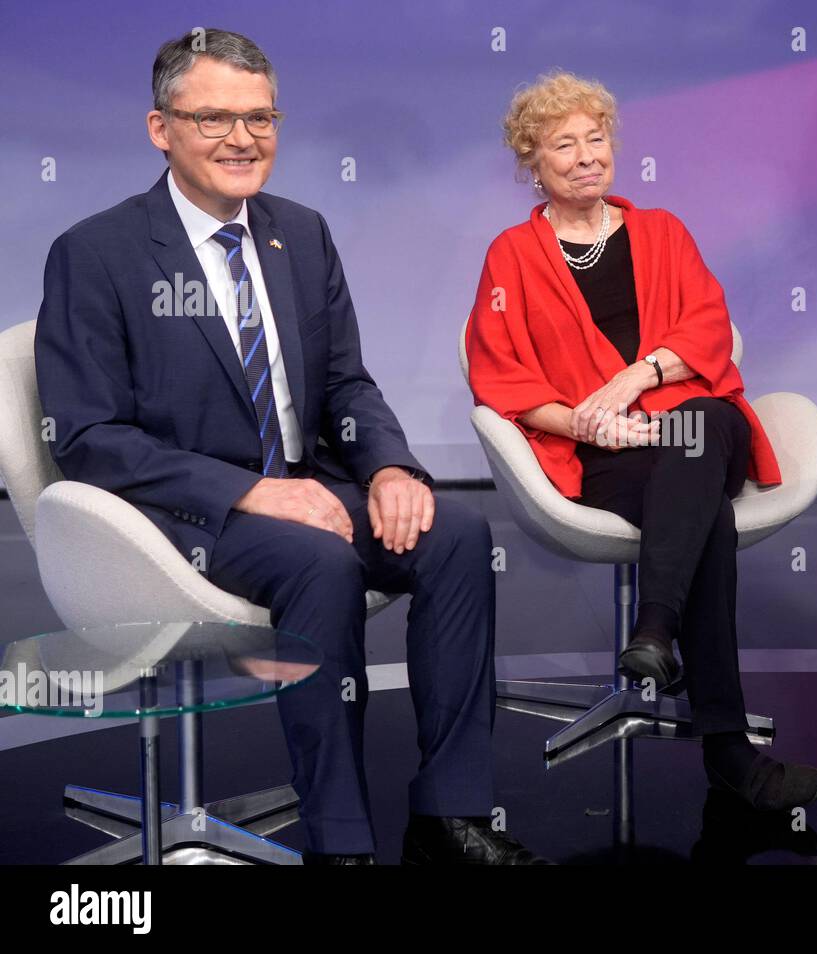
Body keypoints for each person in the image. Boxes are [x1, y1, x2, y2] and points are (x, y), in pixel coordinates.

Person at [35, 29, 544, 865]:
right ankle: (340, 840)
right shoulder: (96, 255)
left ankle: (452, 813)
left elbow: (346, 383)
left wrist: (389, 465)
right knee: (321, 560)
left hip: (305, 482)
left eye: (261, 118)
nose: (243, 139)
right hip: (178, 514)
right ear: (161, 128)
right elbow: (86, 439)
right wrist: (250, 493)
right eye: (214, 119)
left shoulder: (299, 233)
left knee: (456, 537)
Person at [466, 70, 817, 811]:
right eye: (564, 144)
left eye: (597, 138)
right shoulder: (512, 256)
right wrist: (588, 422)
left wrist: (635, 381)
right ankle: (727, 750)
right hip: (602, 455)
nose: (587, 155)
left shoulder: (662, 231)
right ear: (532, 161)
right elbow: (501, 373)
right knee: (708, 520)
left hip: (688, 428)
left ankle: (655, 627)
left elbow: (709, 330)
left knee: (710, 421)